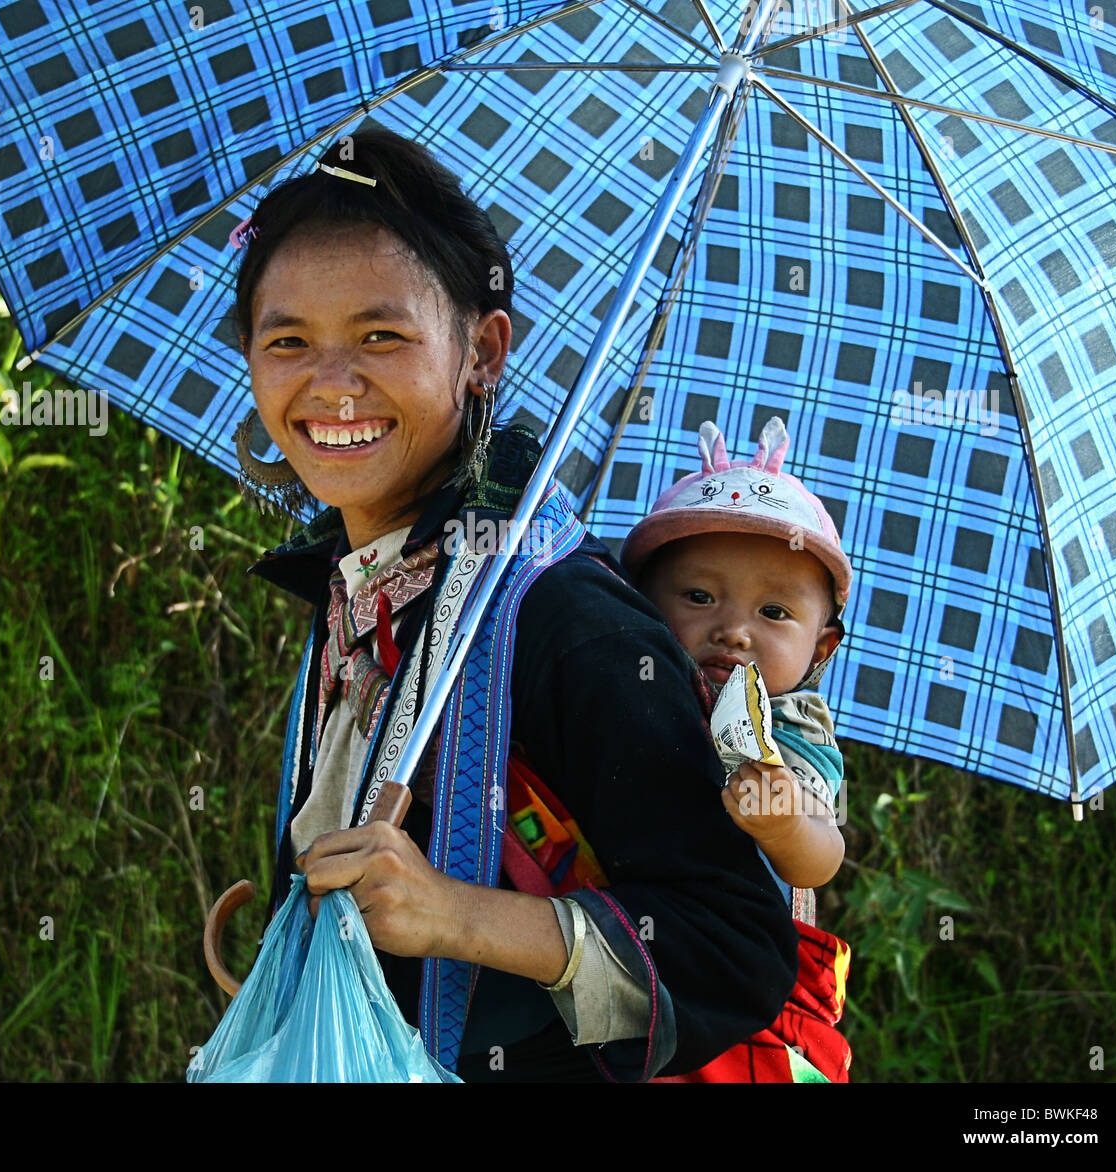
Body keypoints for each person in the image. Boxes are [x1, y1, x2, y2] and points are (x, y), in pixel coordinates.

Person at [219, 127, 798, 1082]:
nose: (331, 385)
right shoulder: (361, 600)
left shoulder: (568, 621)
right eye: (288, 341)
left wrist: (459, 916)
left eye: (381, 336)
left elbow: (736, 947)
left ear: (483, 349)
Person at [620, 415, 855, 1082]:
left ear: (822, 649)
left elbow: (821, 857)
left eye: (774, 613)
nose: (733, 631)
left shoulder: (790, 726)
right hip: (621, 961)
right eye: (698, 597)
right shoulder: (625, 692)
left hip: (740, 993)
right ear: (635, 604)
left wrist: (785, 822)